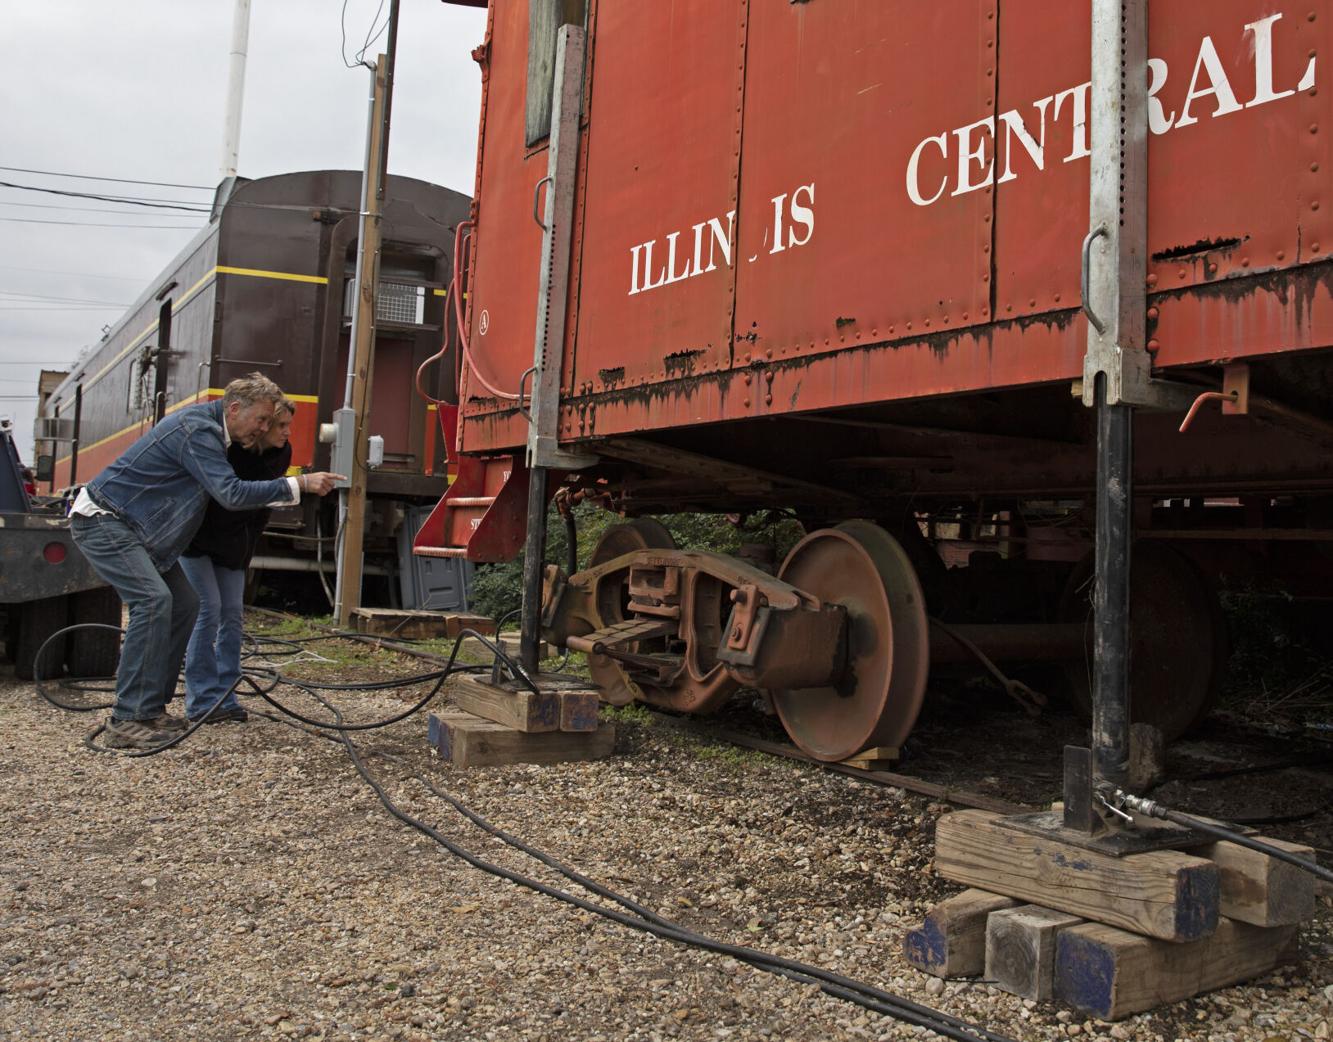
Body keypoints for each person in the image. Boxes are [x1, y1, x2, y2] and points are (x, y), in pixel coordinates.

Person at [69, 374, 345, 750]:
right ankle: (126, 717)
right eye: (261, 420)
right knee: (153, 601)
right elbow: (230, 493)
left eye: (269, 422)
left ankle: (149, 709)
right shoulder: (196, 431)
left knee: (186, 603)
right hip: (105, 521)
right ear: (233, 409)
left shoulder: (215, 433)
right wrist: (300, 484)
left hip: (137, 531)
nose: (263, 428)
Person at [178, 398, 296, 724]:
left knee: (232, 614)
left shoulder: (282, 455)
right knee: (208, 609)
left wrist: (246, 551)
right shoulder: (228, 451)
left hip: (234, 546)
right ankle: (201, 699)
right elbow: (229, 496)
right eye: (280, 425)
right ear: (263, 425)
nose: (287, 433)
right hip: (197, 541)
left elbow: (262, 508)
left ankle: (225, 696)